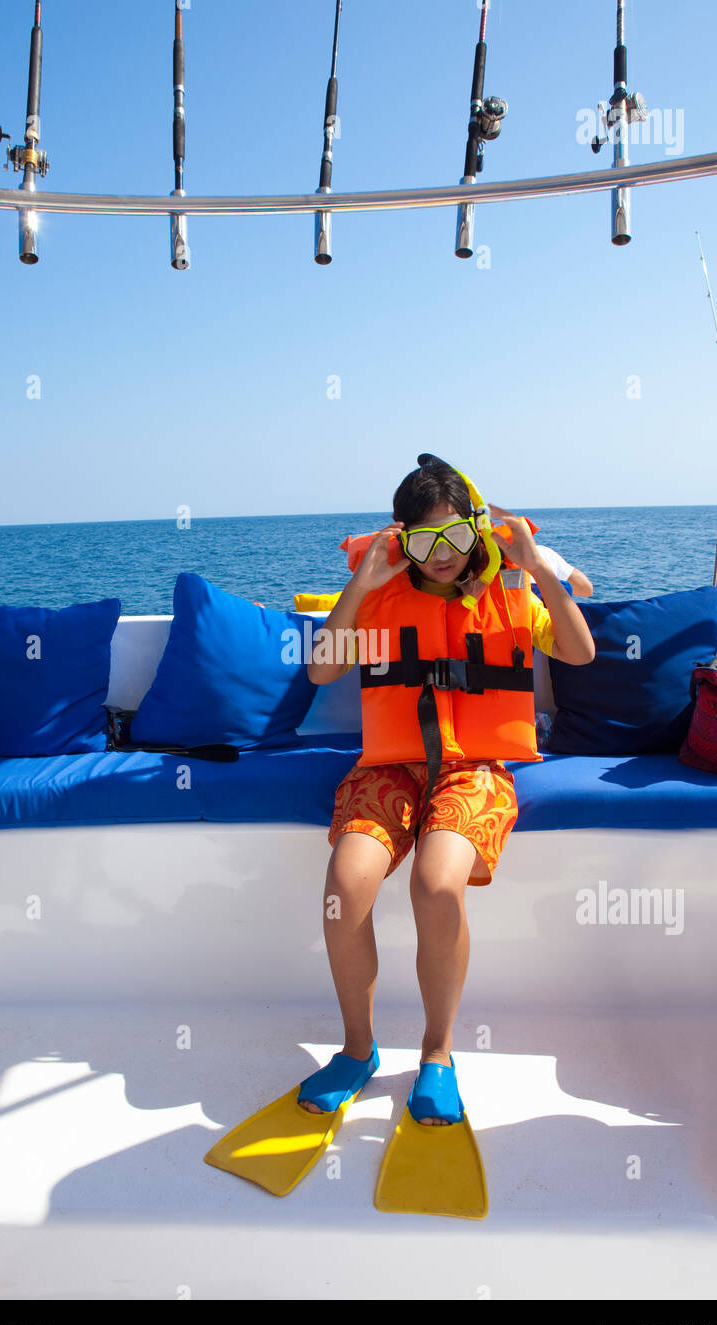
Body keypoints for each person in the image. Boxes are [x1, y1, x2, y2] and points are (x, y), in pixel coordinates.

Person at [204, 456, 595, 1215]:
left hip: (474, 770)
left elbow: (578, 652)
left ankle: (437, 1055)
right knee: (345, 890)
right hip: (390, 770)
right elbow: (320, 672)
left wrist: (535, 566)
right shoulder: (380, 602)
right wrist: (365, 581)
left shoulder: (513, 596)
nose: (439, 553)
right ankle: (357, 1050)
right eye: (421, 541)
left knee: (434, 884)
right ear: (400, 543)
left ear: (476, 531)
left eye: (451, 535)